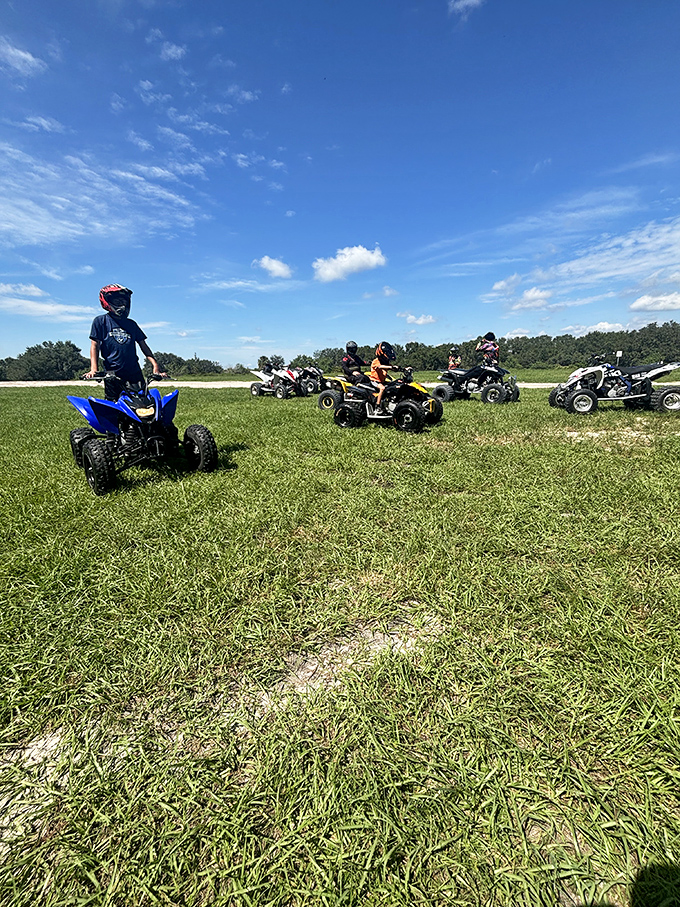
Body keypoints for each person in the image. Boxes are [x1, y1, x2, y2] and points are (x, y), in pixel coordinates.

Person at [85, 284, 166, 400]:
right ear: (107, 302)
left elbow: (144, 346)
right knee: (115, 407)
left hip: (134, 373)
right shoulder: (100, 321)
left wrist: (155, 365)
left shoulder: (131, 324)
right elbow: (94, 346)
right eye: (117, 302)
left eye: (124, 302)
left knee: (143, 404)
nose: (122, 306)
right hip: (112, 374)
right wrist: (94, 369)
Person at [369, 341, 399, 410]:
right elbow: (380, 367)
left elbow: (393, 368)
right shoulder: (376, 361)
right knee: (382, 388)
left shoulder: (385, 362)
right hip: (374, 381)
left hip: (382, 381)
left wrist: (402, 369)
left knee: (394, 386)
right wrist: (390, 367)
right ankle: (378, 405)